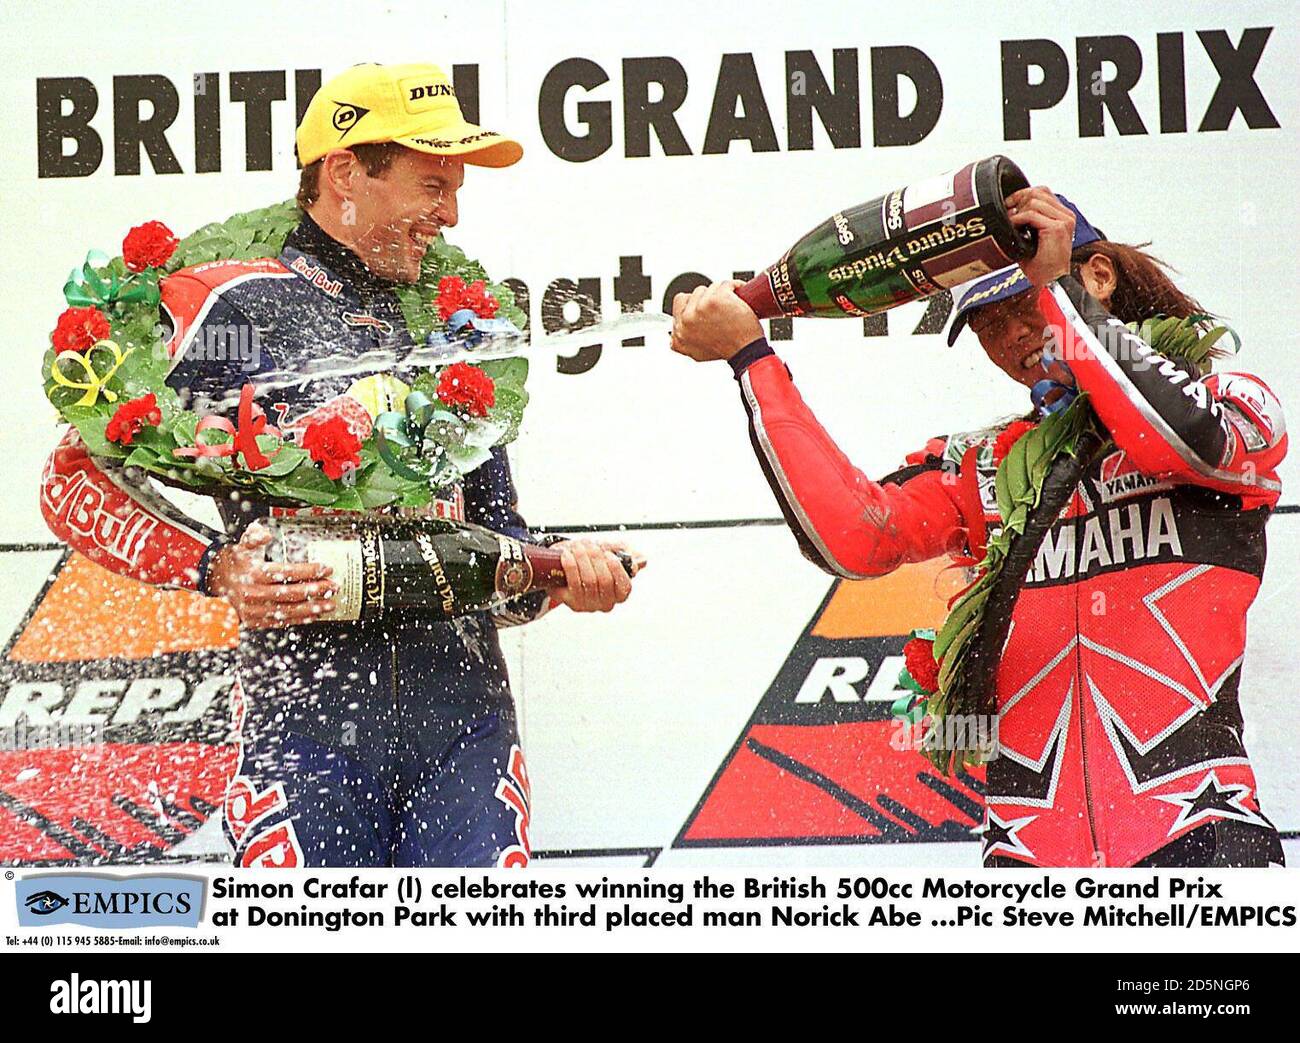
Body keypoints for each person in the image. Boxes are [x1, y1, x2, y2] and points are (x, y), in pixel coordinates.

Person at [41, 62, 640, 868]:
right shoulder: (231, 304)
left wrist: (563, 578)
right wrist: (217, 567)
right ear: (346, 172)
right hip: (307, 738)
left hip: (463, 734)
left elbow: (494, 546)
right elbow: (72, 478)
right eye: (433, 184)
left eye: (455, 190)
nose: (450, 213)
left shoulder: (462, 322)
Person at [669, 186, 1287, 869]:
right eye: (988, 323)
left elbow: (1177, 433)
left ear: (1098, 277)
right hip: (1025, 862)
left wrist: (1054, 287)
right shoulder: (983, 464)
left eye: (1020, 305)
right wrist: (753, 359)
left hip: (1200, 838)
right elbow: (853, 538)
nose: (1012, 336)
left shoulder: (1236, 405)